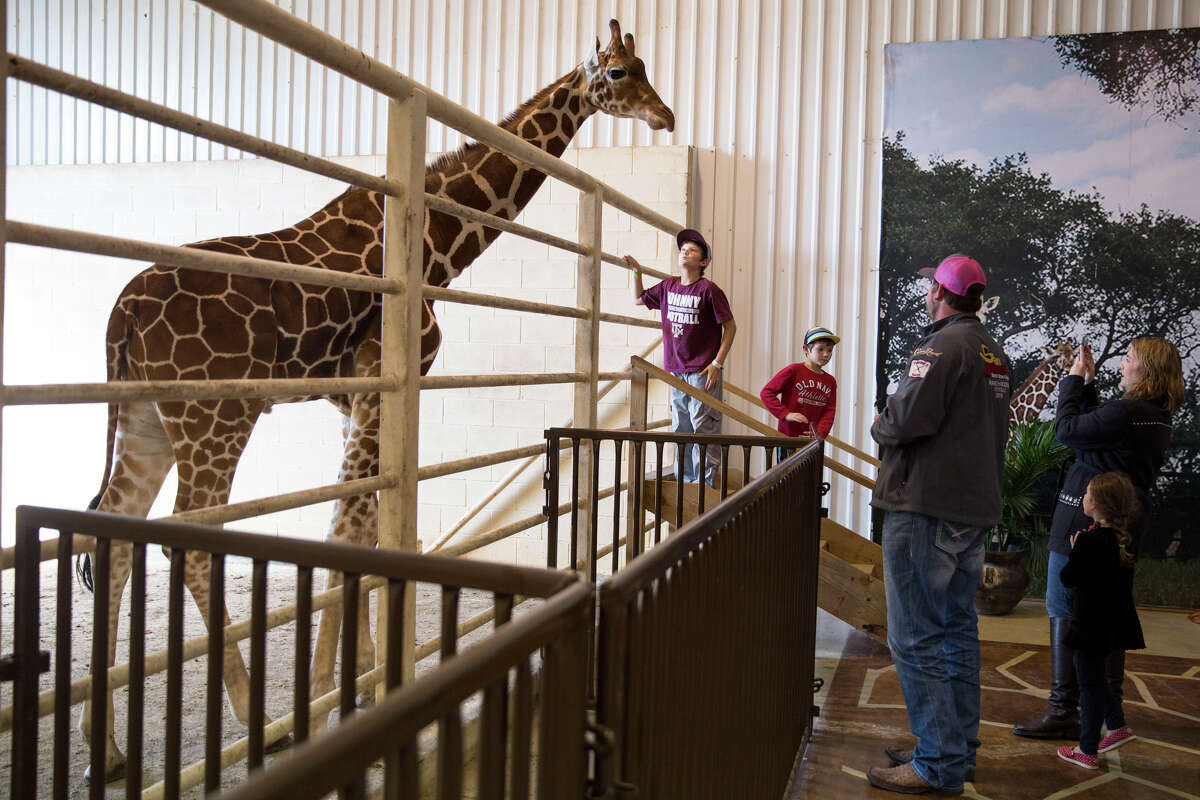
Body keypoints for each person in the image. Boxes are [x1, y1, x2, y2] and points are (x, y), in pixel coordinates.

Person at [867, 254, 1012, 795]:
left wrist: (881, 421)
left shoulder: (939, 345)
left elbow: (904, 421)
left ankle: (935, 765)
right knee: (955, 632)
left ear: (940, 295)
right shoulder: (994, 352)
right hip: (972, 513)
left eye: (931, 286)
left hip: (925, 509)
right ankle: (955, 750)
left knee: (915, 638)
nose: (927, 293)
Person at [1012, 336, 1184, 741]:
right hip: (1122, 526)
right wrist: (1089, 385)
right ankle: (1107, 710)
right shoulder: (1152, 415)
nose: (1122, 365)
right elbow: (1097, 431)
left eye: (1128, 359)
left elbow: (1068, 430)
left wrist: (1072, 381)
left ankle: (1063, 710)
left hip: (1082, 523)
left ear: (1147, 370)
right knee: (1106, 614)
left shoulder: (1128, 413)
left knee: (1064, 608)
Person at [625, 229, 736, 486]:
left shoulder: (709, 290)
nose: (685, 252)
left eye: (693, 250)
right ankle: (686, 481)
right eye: (683, 249)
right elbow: (638, 299)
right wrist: (636, 272)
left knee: (703, 426)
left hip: (702, 370)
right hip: (676, 370)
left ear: (703, 262)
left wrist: (717, 364)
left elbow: (730, 327)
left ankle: (704, 484)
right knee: (681, 427)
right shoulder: (668, 286)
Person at [1056, 471, 1146, 769]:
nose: (1083, 497)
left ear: (1097, 504)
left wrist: (1074, 551)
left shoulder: (1090, 541)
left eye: (1087, 494)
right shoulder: (1119, 541)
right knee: (1096, 679)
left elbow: (1068, 579)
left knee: (1089, 686)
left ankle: (1087, 750)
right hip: (1109, 626)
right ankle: (1117, 725)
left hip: (1089, 627)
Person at [760, 326, 839, 463]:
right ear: (806, 349)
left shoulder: (830, 381)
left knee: (809, 479)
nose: (826, 354)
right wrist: (786, 414)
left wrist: (820, 433)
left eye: (830, 350)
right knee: (786, 477)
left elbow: (829, 411)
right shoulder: (794, 370)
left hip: (812, 442)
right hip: (788, 439)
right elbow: (767, 393)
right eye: (820, 349)